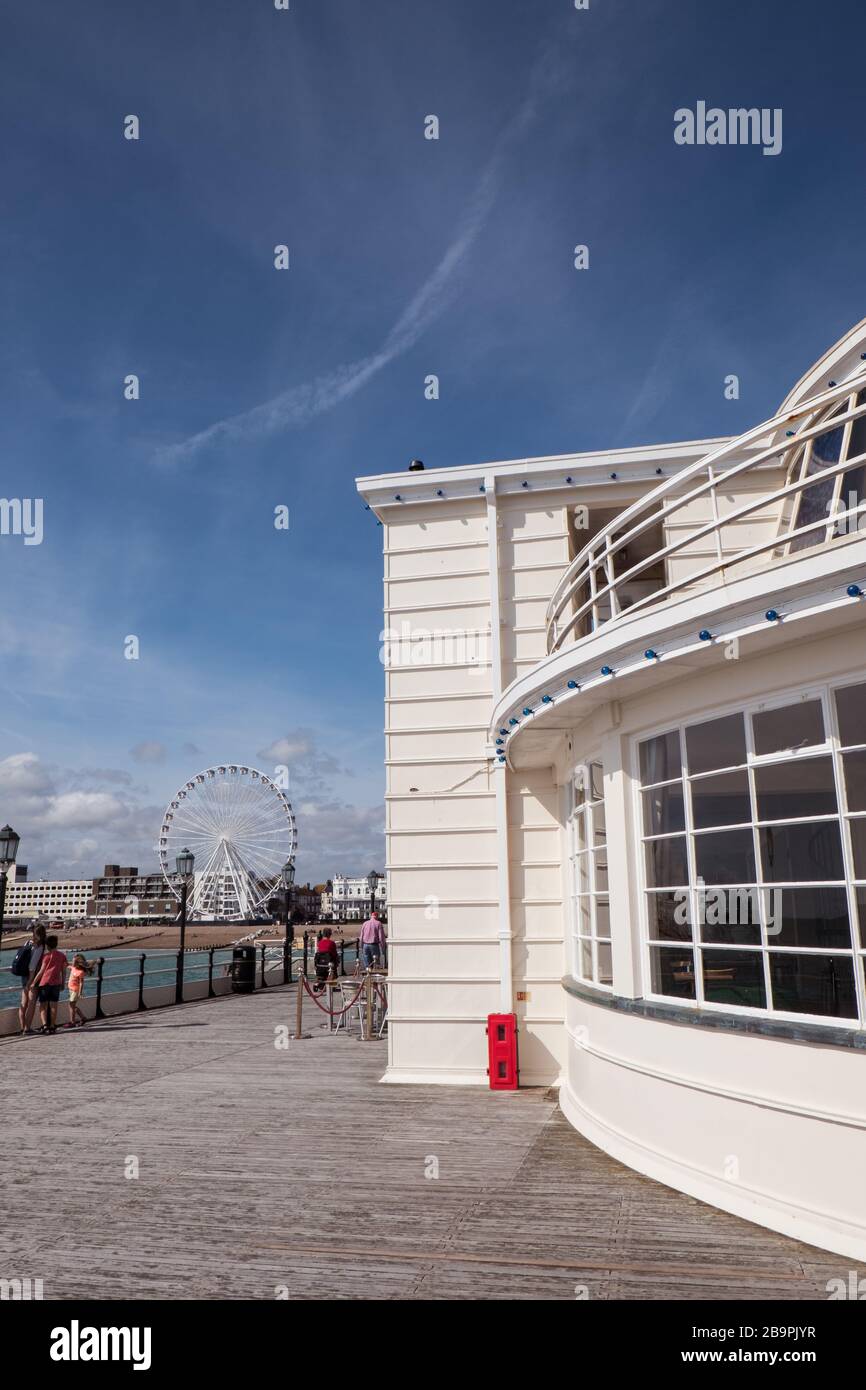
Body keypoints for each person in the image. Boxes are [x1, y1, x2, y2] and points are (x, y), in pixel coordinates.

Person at [29, 934, 69, 1035]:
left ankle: (45, 1026)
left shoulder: (46, 956)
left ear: (47, 946)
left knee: (43, 1005)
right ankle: (52, 1026)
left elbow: (41, 971)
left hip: (45, 983)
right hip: (56, 983)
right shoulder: (62, 956)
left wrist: (33, 982)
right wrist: (63, 983)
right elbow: (64, 972)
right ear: (56, 944)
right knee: (53, 1005)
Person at [15, 924, 46, 1035]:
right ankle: (27, 1029)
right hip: (32, 977)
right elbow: (32, 966)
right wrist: (31, 981)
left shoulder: (27, 942)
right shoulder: (39, 946)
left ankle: (22, 1027)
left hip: (23, 975)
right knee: (32, 1002)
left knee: (23, 1002)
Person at [65, 953, 94, 1028]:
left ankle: (72, 1022)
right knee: (72, 1005)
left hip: (75, 990)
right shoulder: (73, 968)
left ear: (78, 963)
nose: (72, 963)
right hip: (71, 990)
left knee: (71, 1005)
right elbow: (67, 965)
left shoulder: (80, 972)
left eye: (74, 962)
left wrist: (80, 992)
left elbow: (81, 982)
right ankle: (83, 1018)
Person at [312, 927, 339, 993]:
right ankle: (332, 981)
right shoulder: (331, 943)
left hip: (320, 965)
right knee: (335, 960)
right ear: (329, 934)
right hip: (329, 964)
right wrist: (337, 962)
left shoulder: (320, 943)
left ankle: (320, 983)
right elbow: (334, 954)